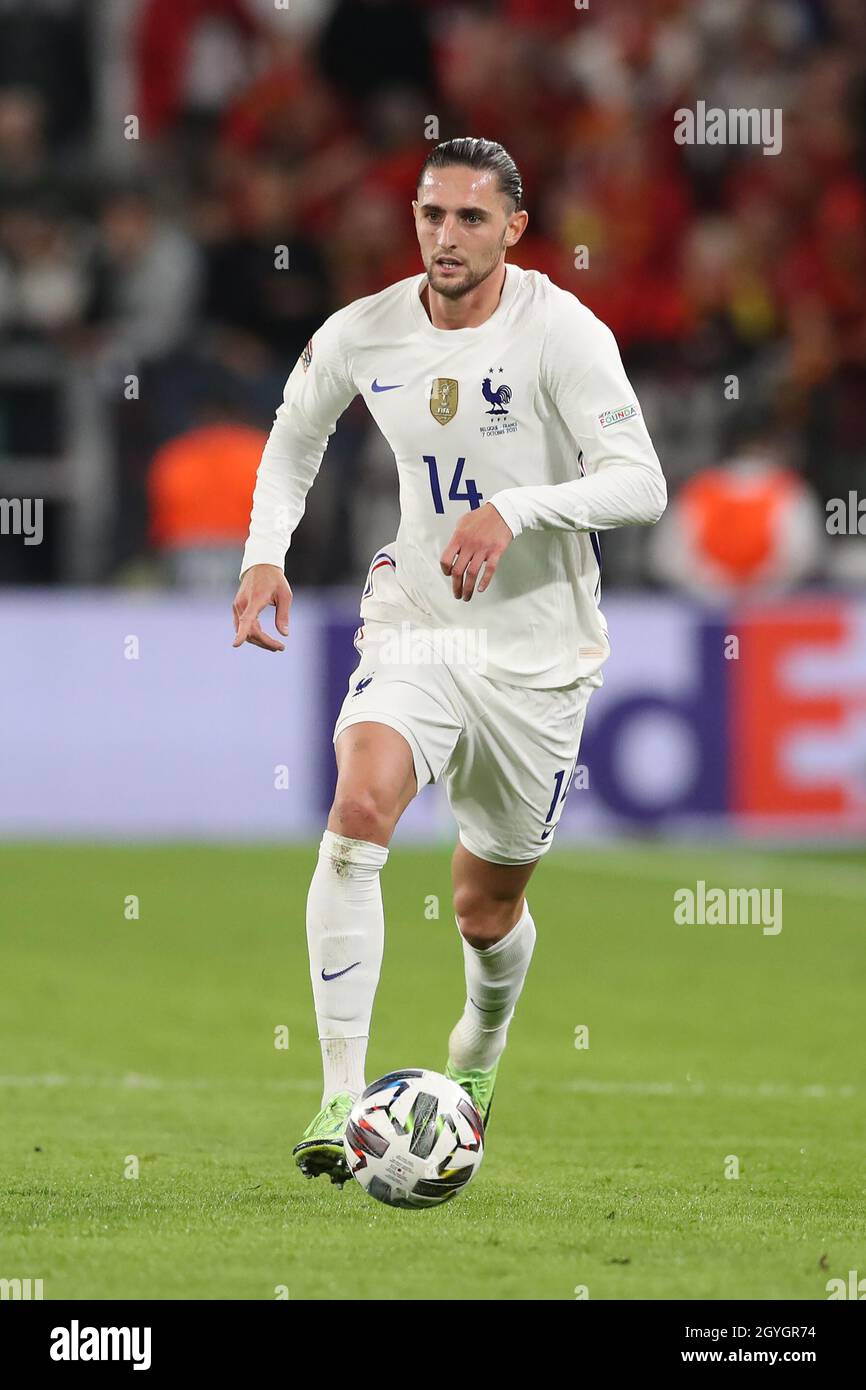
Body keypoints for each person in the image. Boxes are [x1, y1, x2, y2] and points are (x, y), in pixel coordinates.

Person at [232, 137, 667, 1184]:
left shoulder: (561, 331)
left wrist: (511, 509)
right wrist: (261, 557)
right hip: (415, 621)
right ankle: (340, 1097)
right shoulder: (366, 330)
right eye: (430, 215)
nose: (445, 236)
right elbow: (296, 435)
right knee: (360, 806)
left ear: (513, 229)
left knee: (486, 907)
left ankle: (477, 1049)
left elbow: (639, 482)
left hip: (536, 658)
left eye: (470, 218)